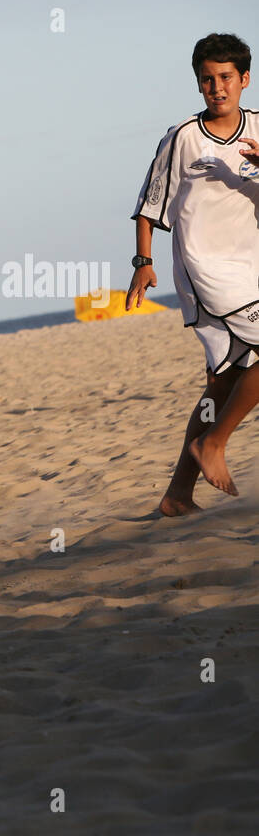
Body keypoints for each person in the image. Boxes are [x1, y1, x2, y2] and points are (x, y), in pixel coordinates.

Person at [128, 33, 259, 514]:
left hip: (251, 271)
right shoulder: (183, 136)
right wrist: (144, 262)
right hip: (205, 271)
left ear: (245, 79)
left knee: (223, 383)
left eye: (226, 77)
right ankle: (214, 444)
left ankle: (177, 494)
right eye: (207, 80)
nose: (216, 88)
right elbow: (148, 205)